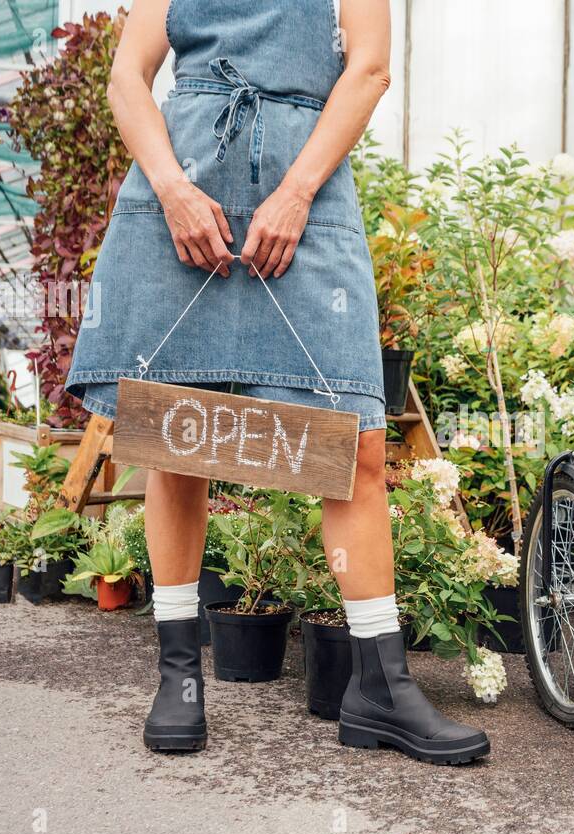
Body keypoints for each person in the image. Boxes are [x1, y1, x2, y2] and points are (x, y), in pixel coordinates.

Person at [64, 0, 489, 766]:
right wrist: (170, 189)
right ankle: (179, 676)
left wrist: (295, 192)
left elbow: (369, 69)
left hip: (308, 193)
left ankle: (379, 687)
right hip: (179, 194)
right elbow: (129, 76)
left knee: (354, 443)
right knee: (176, 434)